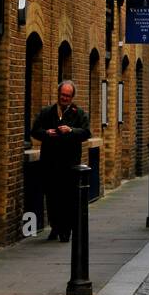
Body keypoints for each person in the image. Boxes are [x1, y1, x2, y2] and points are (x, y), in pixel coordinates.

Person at [31, 80, 91, 243]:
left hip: (70, 163)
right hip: (50, 162)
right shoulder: (47, 112)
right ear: (58, 94)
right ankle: (55, 227)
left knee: (68, 197)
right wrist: (46, 133)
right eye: (62, 95)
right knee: (52, 197)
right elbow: (34, 131)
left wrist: (71, 130)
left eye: (68, 96)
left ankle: (66, 230)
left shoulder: (78, 113)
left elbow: (86, 132)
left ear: (72, 97)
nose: (64, 98)